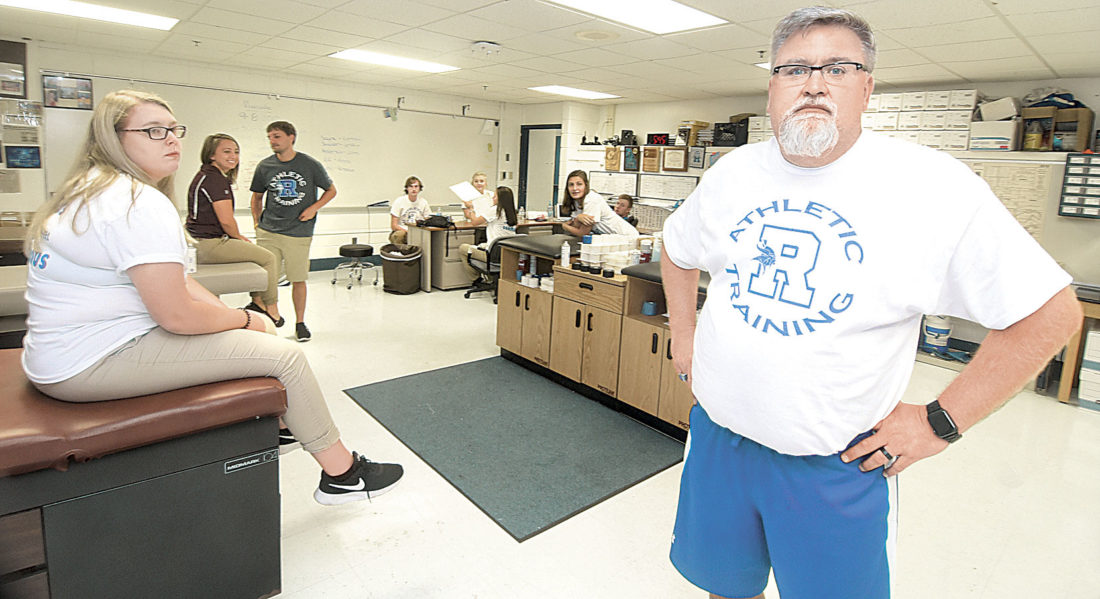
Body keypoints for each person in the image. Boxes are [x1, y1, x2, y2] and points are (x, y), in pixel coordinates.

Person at [660, 7, 1082, 599]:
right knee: (726, 587)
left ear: (867, 89)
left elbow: (1051, 312)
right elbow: (676, 248)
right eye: (794, 69)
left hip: (835, 466)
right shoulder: (733, 173)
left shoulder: (930, 185)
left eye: (837, 68)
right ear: (772, 87)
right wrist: (684, 333)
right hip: (718, 439)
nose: (813, 83)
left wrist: (940, 422)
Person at [22, 90, 403, 506]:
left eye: (174, 129)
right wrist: (245, 319)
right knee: (286, 357)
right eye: (153, 131)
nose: (172, 139)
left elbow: (180, 281)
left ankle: (281, 428)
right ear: (113, 139)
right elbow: (177, 317)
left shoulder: (91, 188)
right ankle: (343, 475)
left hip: (63, 353)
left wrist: (233, 318)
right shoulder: (134, 202)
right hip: (89, 361)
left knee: (258, 335)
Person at [250, 120, 335, 343]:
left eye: (277, 136)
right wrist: (257, 223)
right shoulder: (265, 166)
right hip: (269, 230)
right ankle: (269, 320)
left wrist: (314, 208)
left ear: (291, 137)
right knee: (266, 279)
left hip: (299, 231)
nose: (272, 141)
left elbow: (331, 190)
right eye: (269, 137)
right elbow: (257, 197)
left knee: (298, 279)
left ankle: (300, 323)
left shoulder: (309, 164)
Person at [186, 133, 284, 327]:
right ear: (211, 155)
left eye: (236, 152)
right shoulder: (215, 180)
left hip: (197, 241)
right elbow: (226, 221)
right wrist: (239, 237)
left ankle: (258, 303)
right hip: (209, 245)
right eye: (226, 152)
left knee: (255, 253)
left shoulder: (206, 175)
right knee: (269, 258)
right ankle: (271, 309)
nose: (233, 156)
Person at [460, 186, 518, 284]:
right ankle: (491, 279)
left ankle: (477, 280)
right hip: (507, 254)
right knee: (481, 245)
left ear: (501, 199)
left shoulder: (496, 210)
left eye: (495, 196)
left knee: (463, 248)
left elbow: (474, 222)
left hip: (493, 256)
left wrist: (471, 208)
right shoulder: (512, 213)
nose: (492, 198)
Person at [559, 170, 638, 238]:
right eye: (571, 185)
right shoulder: (576, 201)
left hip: (627, 236)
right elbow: (576, 226)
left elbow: (583, 233)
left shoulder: (592, 199)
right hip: (610, 238)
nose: (575, 188)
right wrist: (577, 219)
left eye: (579, 184)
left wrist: (564, 226)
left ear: (586, 186)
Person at [389, 176, 431, 245]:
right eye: (411, 186)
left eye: (416, 186)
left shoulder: (423, 202)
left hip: (418, 231)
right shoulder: (399, 201)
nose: (413, 189)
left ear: (420, 188)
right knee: (399, 235)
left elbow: (428, 219)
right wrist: (408, 232)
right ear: (407, 188)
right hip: (402, 231)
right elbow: (394, 226)